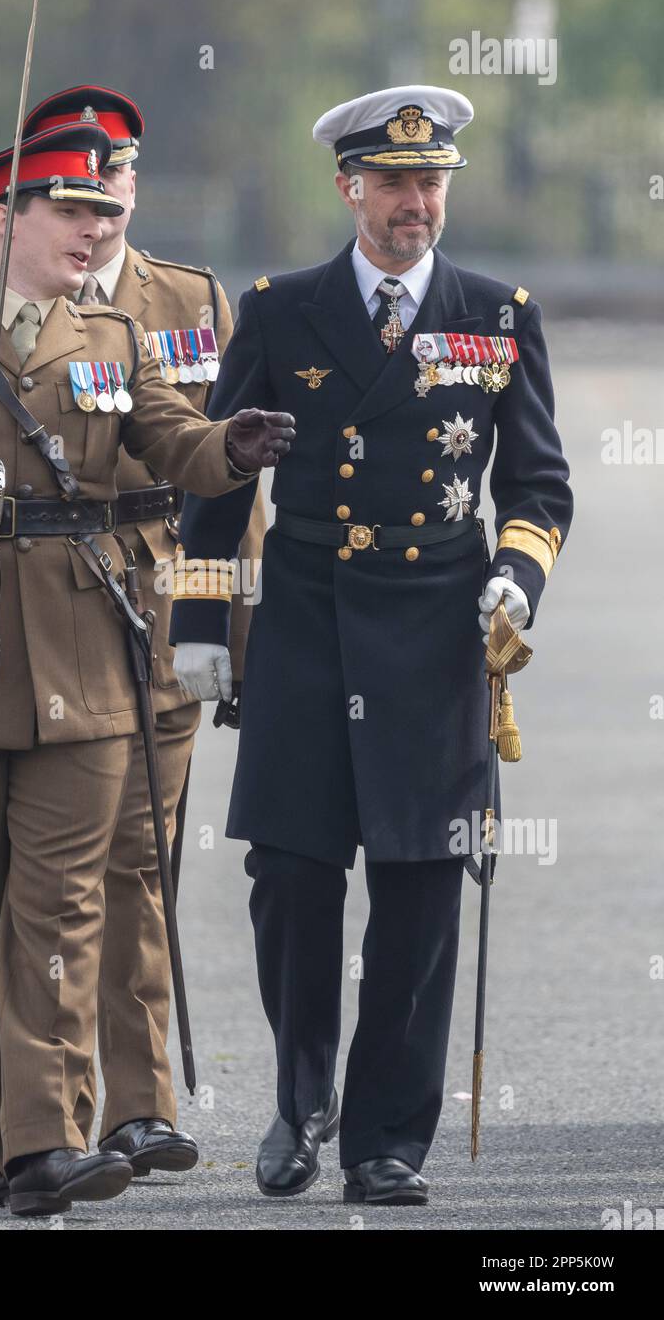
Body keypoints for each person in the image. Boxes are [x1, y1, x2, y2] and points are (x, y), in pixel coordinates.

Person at [0, 119, 293, 1216]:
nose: (96, 228)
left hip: (89, 653)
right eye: (71, 212)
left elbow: (170, 439)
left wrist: (230, 448)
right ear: (6, 219)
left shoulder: (116, 337)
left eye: (102, 210)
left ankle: (46, 1139)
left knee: (65, 903)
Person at [170, 86, 573, 1205]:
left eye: (430, 181)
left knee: (422, 884)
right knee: (289, 874)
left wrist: (516, 574)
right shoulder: (281, 307)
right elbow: (217, 472)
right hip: (304, 615)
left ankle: (387, 1137)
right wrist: (200, 617)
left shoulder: (495, 314)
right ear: (348, 187)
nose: (413, 203)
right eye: (392, 182)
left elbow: (537, 482)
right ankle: (302, 1102)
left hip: (438, 623)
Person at [15, 86, 267, 1174]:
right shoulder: (13, 300)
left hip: (162, 595)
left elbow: (224, 486)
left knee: (145, 861)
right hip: (49, 605)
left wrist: (226, 622)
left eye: (111, 178)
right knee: (57, 875)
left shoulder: (191, 294)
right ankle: (42, 1119)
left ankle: (143, 1104)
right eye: (74, 186)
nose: (99, 203)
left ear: (133, 182)